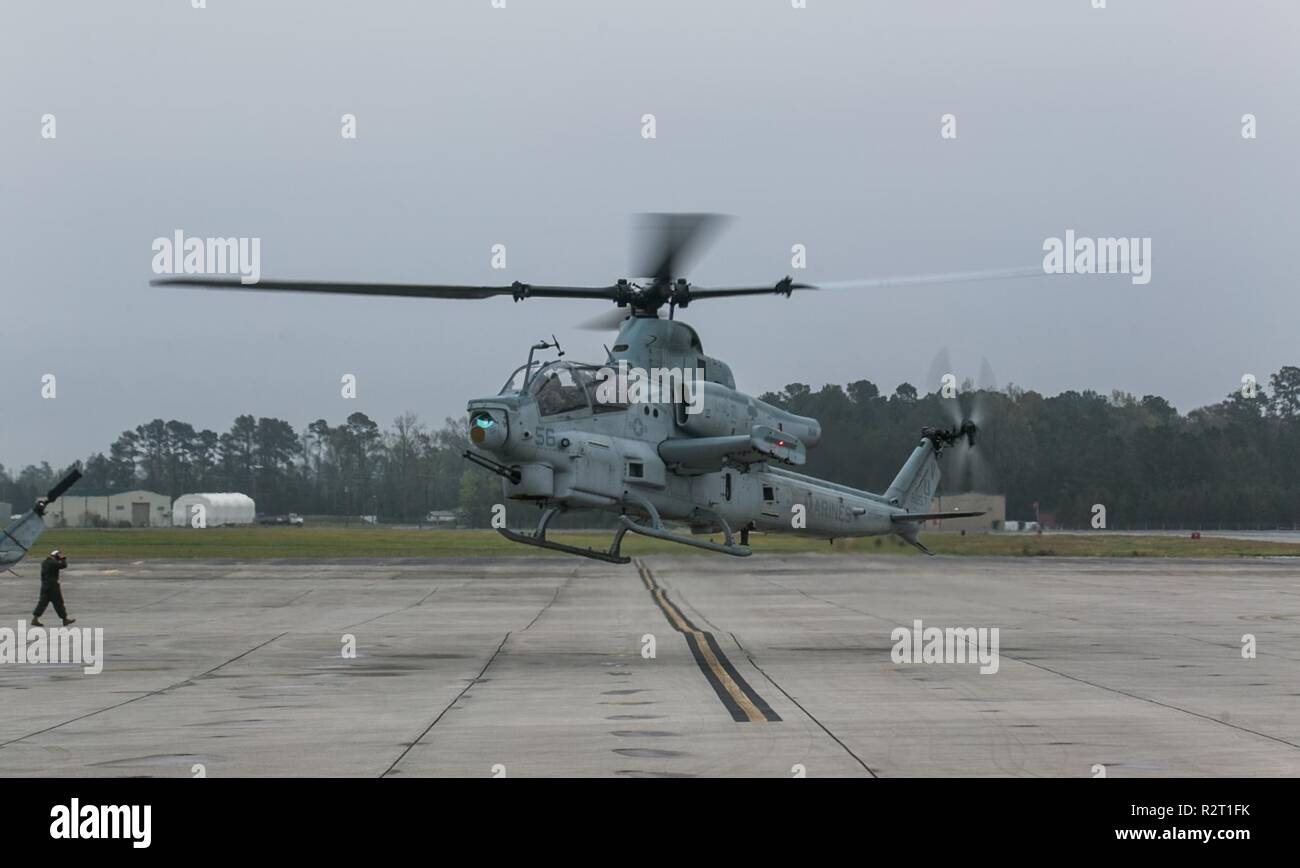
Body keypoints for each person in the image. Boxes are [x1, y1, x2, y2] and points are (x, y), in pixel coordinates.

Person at [32, 549, 75, 627]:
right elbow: (63, 565)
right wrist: (63, 559)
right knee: (59, 603)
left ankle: (35, 619)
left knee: (42, 603)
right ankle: (65, 619)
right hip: (53, 587)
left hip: (45, 586)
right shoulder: (52, 563)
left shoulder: (45, 562)